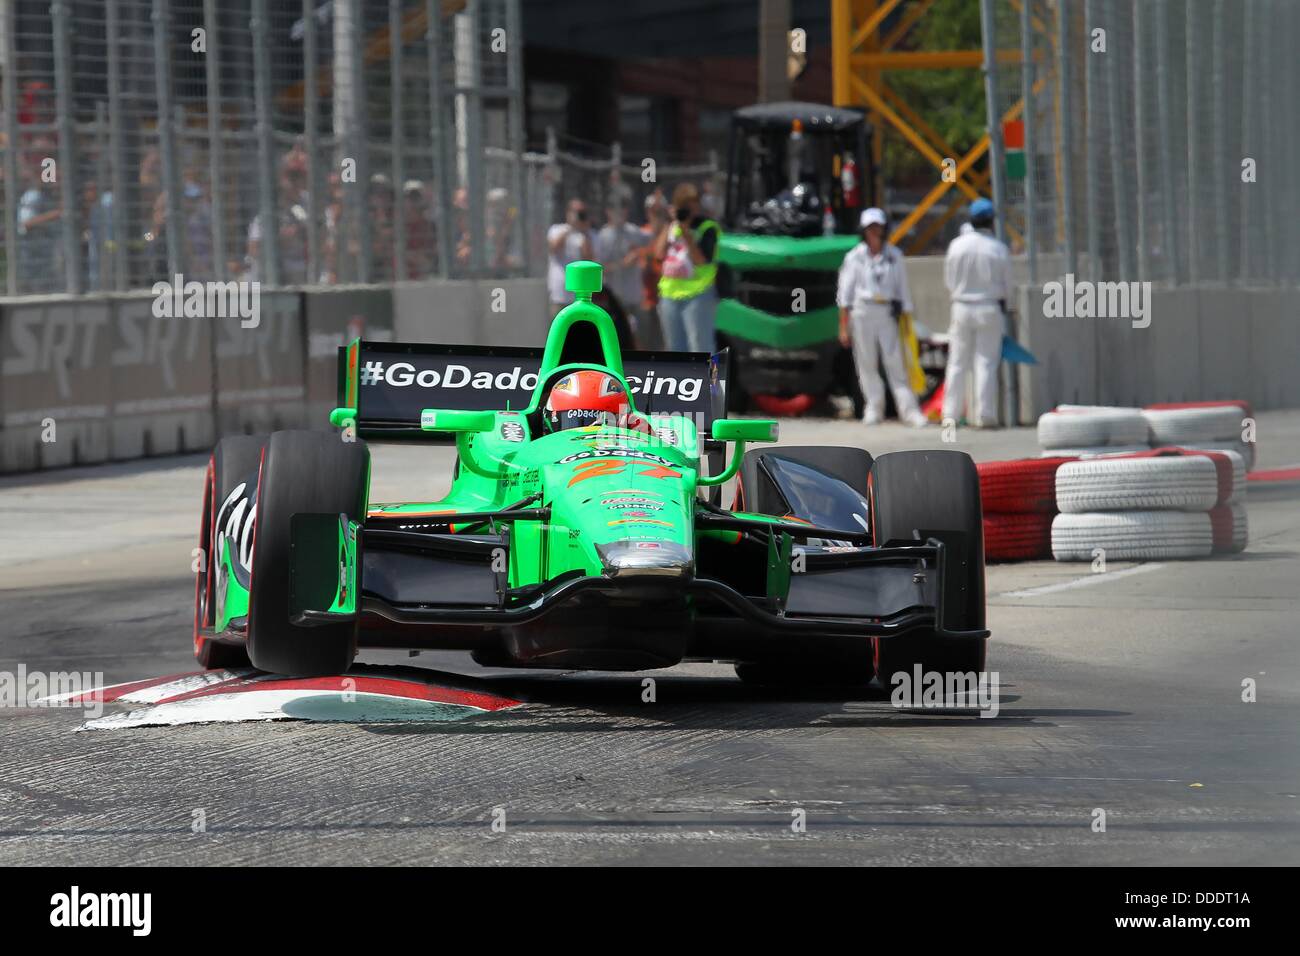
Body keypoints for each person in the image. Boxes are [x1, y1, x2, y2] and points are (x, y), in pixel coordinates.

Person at [837, 207, 927, 427]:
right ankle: (873, 409)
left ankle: (909, 411)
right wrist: (843, 326)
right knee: (866, 363)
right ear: (864, 230)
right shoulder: (854, 257)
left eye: (878, 226)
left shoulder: (894, 255)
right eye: (871, 227)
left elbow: (903, 290)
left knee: (896, 362)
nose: (875, 231)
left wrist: (906, 318)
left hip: (887, 313)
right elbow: (844, 295)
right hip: (862, 311)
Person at [942, 198, 1011, 428]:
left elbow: (949, 280)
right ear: (991, 221)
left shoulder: (956, 245)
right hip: (989, 307)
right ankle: (985, 414)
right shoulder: (998, 249)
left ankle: (949, 415)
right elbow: (1007, 285)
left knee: (957, 363)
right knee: (986, 363)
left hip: (961, 306)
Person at [654, 182, 721, 353]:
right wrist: (670, 224)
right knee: (675, 349)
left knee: (700, 348)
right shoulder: (671, 226)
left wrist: (685, 232)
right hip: (670, 294)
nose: (689, 211)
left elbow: (700, 260)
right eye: (684, 207)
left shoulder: (708, 228)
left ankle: (708, 380)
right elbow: (658, 253)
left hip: (698, 294)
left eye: (692, 206)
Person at [595, 200, 648, 323]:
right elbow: (599, 269)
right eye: (617, 209)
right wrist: (624, 263)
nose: (621, 213)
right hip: (614, 301)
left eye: (623, 208)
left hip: (634, 298)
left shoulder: (633, 231)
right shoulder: (602, 236)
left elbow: (652, 241)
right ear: (608, 212)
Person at [547, 198, 594, 315]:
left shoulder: (586, 235)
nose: (579, 215)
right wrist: (570, 227)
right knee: (559, 331)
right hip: (559, 294)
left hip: (580, 296)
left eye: (582, 212)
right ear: (568, 213)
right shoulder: (556, 229)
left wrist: (584, 232)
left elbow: (589, 260)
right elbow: (554, 248)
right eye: (576, 212)